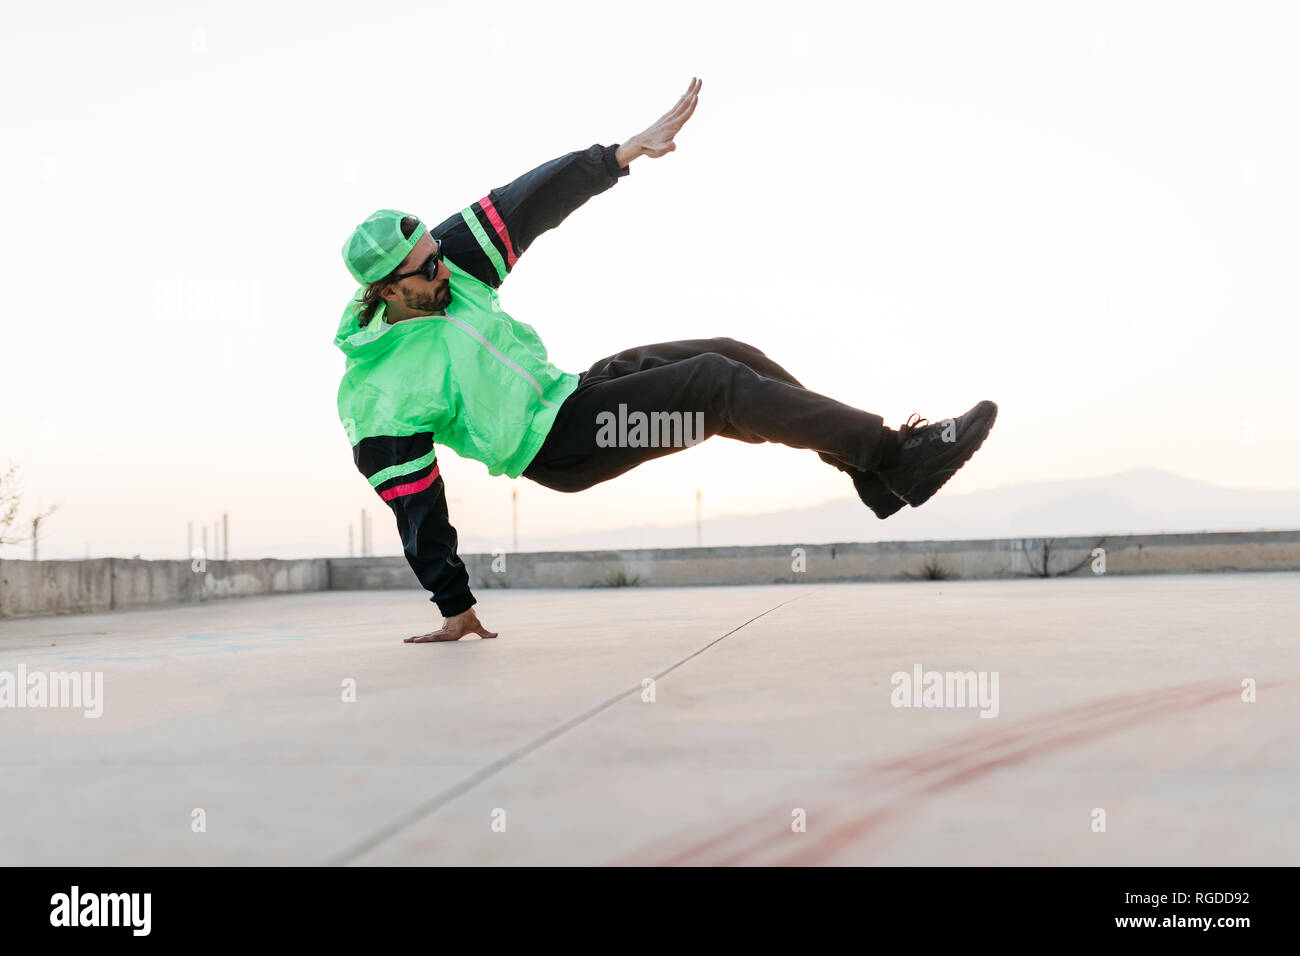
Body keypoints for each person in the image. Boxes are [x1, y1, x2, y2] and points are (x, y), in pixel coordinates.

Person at [334, 78, 997, 644]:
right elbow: (414, 504)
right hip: (560, 448)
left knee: (729, 355)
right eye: (425, 269)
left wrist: (620, 155)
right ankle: (894, 457)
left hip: (572, 391)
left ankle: (870, 471)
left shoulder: (447, 260)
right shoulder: (378, 392)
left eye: (436, 252)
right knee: (716, 387)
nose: (442, 266)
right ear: (387, 290)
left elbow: (526, 203)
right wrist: (455, 604)